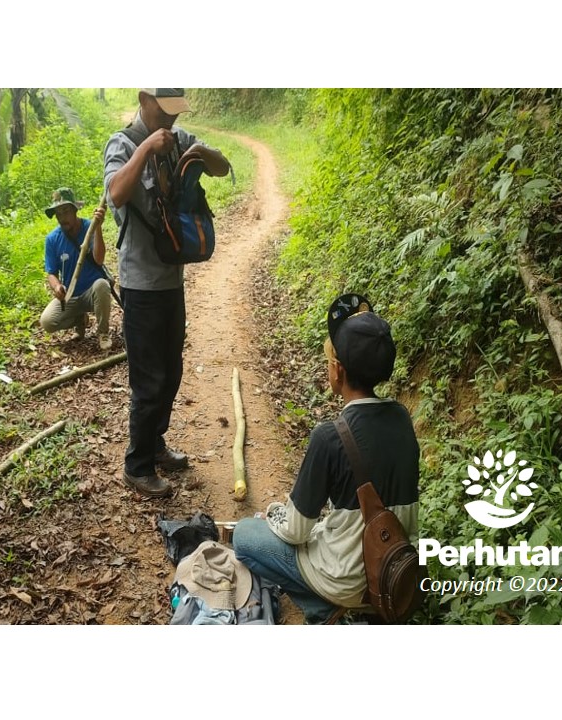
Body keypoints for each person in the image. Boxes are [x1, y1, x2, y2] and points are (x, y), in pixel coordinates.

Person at [232, 293, 420, 623]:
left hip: (346, 579)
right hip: (392, 571)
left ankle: (322, 607)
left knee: (245, 536)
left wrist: (275, 513)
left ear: (338, 370)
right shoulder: (403, 419)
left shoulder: (330, 436)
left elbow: (295, 532)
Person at [104, 89, 231, 498]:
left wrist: (202, 154)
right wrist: (145, 148)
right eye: (165, 111)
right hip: (140, 284)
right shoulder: (122, 143)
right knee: (149, 379)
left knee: (171, 370)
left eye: (177, 114)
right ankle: (136, 465)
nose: (171, 121)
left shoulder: (180, 137)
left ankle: (156, 444)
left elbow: (222, 166)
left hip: (172, 282)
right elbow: (116, 194)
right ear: (145, 99)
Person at [38, 187, 113, 350]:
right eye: (58, 214)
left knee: (102, 285)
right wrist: (57, 286)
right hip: (71, 295)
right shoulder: (52, 239)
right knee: (48, 321)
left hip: (92, 292)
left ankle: (103, 333)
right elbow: (51, 273)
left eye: (65, 211)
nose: (61, 217)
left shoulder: (89, 227)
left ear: (74, 210)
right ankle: (80, 320)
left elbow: (99, 260)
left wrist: (98, 227)